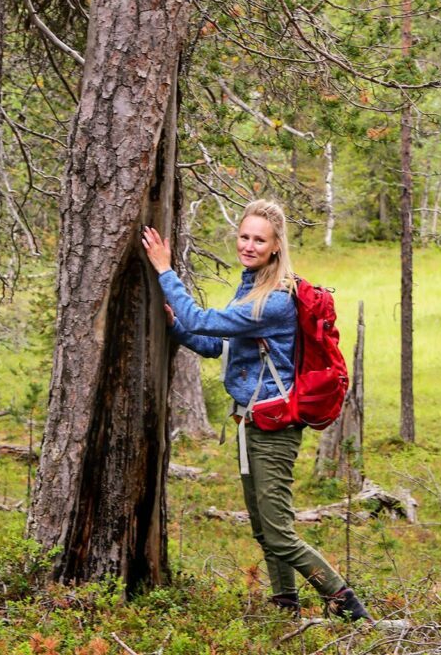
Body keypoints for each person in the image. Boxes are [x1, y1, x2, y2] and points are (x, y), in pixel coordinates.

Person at [142, 199, 372, 623]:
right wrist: (176, 326)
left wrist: (164, 269)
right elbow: (215, 345)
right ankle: (286, 605)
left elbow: (204, 319)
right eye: (244, 236)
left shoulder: (276, 300)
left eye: (258, 239)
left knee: (280, 532)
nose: (248, 245)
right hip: (252, 420)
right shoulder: (251, 285)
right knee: (264, 528)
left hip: (275, 426)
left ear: (276, 246)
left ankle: (351, 609)